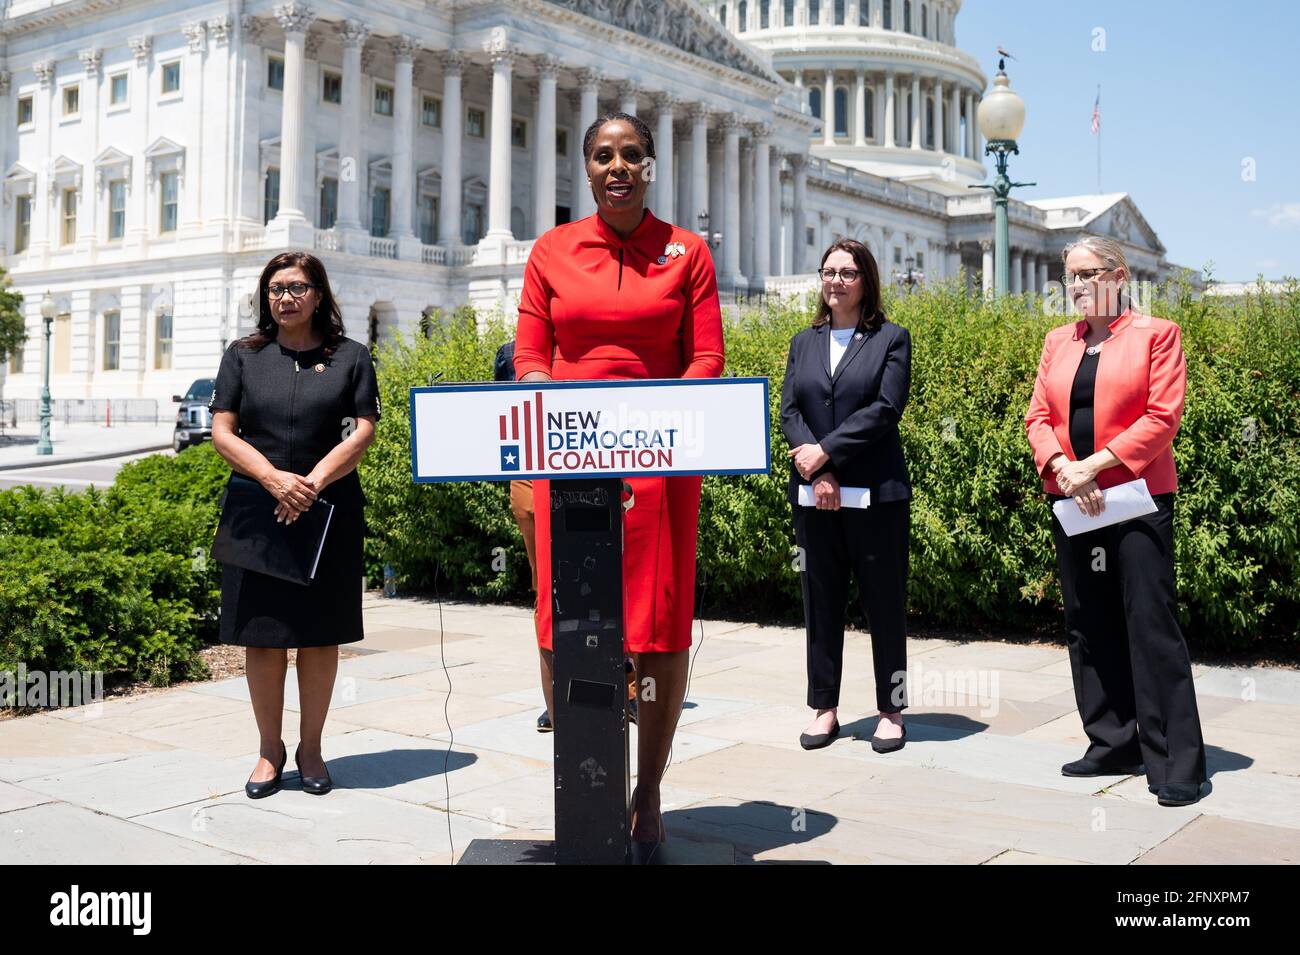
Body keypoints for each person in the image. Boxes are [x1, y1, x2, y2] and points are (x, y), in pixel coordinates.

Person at [512, 111, 724, 862]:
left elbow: (706, 359)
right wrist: (563, 410)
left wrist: (652, 419)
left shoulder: (686, 251)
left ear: (650, 165)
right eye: (603, 156)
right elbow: (532, 356)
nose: (618, 167)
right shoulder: (552, 250)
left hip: (662, 462)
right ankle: (585, 781)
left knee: (659, 627)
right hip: (570, 458)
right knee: (560, 620)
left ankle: (650, 790)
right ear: (588, 169)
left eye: (632, 154)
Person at [1025, 235, 1207, 807]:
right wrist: (1060, 465)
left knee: (1149, 624)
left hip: (1135, 501)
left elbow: (1161, 417)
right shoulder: (1059, 341)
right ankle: (1112, 741)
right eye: (1069, 276)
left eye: (1087, 273)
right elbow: (1037, 415)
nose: (1076, 285)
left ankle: (1175, 761)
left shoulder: (1157, 334)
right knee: (1087, 620)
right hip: (1074, 502)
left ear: (1118, 275)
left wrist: (1095, 467)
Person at [209, 251, 380, 799]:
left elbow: (361, 431)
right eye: (276, 288)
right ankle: (268, 749)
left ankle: (310, 747)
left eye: (298, 288)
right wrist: (275, 480)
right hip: (260, 512)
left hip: (328, 511)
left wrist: (309, 484)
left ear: (319, 294)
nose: (285, 297)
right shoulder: (243, 355)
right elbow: (223, 430)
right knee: (260, 638)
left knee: (319, 635)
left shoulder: (351, 357)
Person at [781, 239, 912, 754]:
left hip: (877, 494)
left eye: (848, 273)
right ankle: (824, 707)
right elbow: (790, 410)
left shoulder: (891, 338)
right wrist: (817, 471)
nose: (836, 281)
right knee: (821, 600)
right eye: (828, 271)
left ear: (866, 281)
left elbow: (884, 409)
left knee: (884, 604)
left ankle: (891, 710)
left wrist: (825, 456)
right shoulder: (803, 341)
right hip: (815, 494)